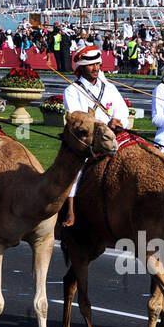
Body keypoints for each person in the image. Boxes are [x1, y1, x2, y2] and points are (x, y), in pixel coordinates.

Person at [60, 46, 129, 227]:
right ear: (81, 67)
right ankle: (71, 211)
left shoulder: (110, 88)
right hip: (87, 140)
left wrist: (119, 121)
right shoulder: (72, 90)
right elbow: (78, 120)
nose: (96, 68)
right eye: (91, 65)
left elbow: (122, 110)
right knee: (76, 168)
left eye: (98, 63)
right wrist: (104, 126)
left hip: (114, 135)